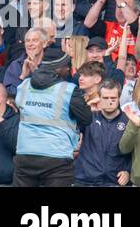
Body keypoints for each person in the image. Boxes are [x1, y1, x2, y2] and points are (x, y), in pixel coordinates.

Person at [12, 46, 92, 187]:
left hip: (25, 154)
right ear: (57, 68)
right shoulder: (69, 90)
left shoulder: (23, 86)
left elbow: (17, 105)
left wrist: (24, 76)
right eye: (67, 66)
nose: (69, 70)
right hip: (56, 156)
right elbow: (86, 118)